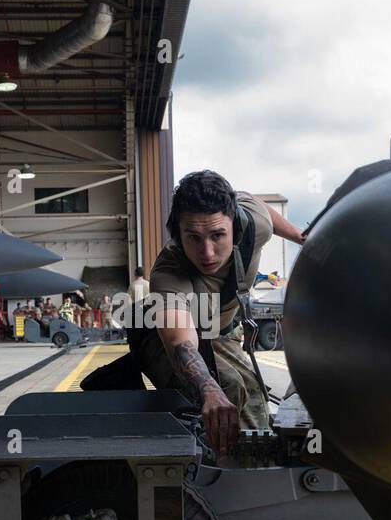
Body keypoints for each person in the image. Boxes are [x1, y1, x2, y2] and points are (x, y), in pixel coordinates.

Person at [128, 170, 306, 456]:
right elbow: (180, 343)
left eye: (217, 235)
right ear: (178, 234)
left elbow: (264, 212)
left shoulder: (253, 223)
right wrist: (208, 390)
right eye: (193, 238)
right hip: (164, 337)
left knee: (255, 400)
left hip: (219, 332)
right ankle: (209, 471)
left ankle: (252, 468)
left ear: (234, 225)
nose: (207, 252)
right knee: (228, 388)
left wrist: (300, 237)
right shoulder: (169, 270)